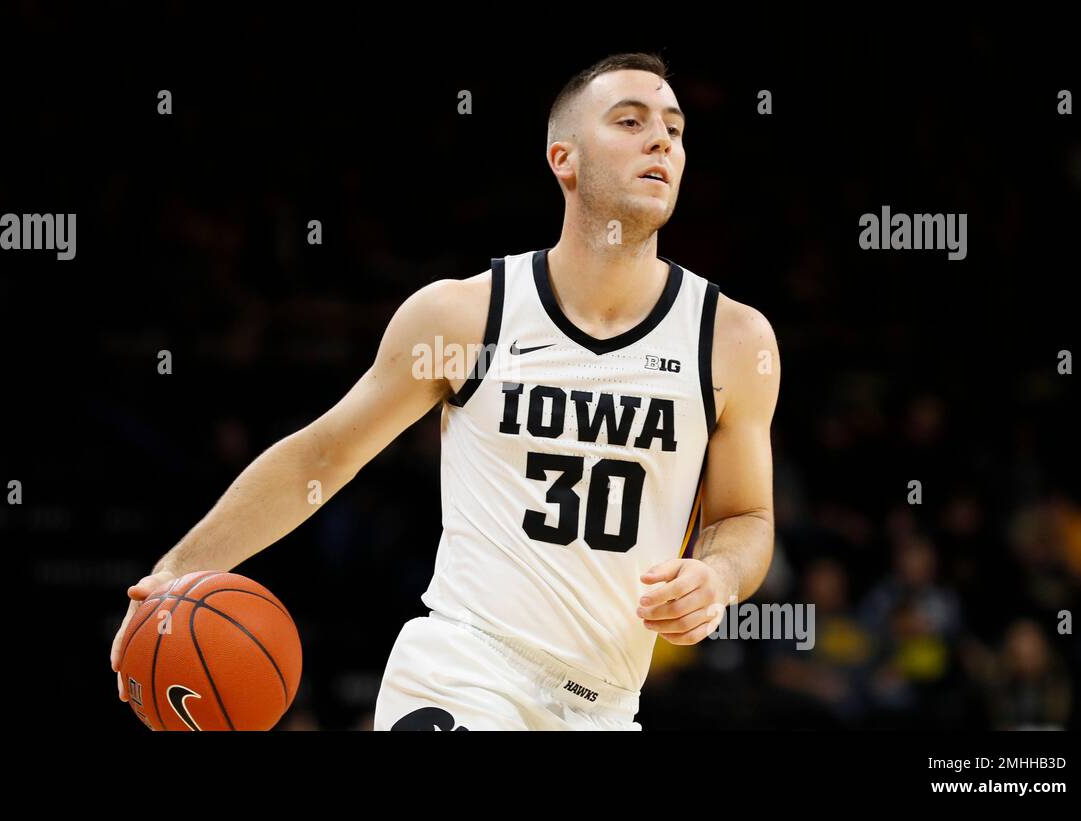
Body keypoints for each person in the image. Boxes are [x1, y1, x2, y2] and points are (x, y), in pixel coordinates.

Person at [109, 52, 781, 730]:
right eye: (629, 121)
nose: (661, 138)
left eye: (674, 126)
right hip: (465, 670)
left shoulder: (732, 341)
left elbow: (745, 518)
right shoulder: (464, 316)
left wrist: (718, 576)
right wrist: (177, 571)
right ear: (564, 158)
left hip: (606, 705)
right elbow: (324, 456)